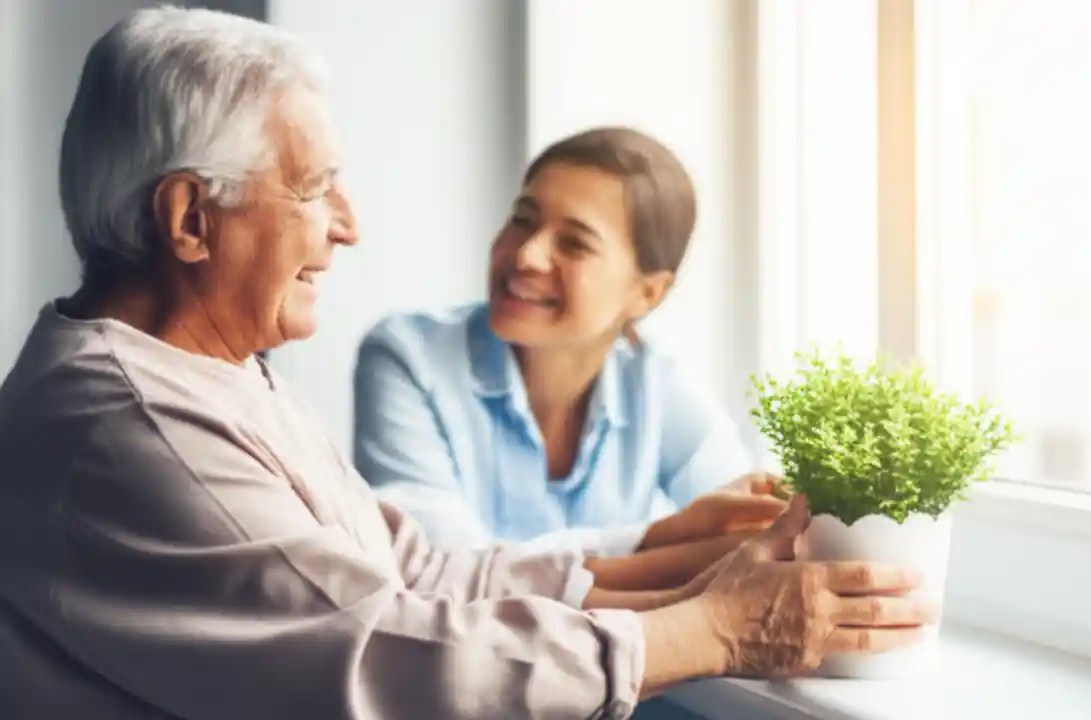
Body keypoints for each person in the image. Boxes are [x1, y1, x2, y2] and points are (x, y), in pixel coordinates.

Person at [0, 8, 931, 719]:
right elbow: (390, 653)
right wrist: (717, 627)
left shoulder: (214, 375)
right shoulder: (131, 424)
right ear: (191, 219)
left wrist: (689, 577)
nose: (348, 225)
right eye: (315, 187)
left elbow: (415, 570)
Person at [354, 128, 779, 579]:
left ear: (648, 293)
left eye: (574, 243)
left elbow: (745, 534)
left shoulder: (657, 386)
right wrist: (656, 539)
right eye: (523, 220)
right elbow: (442, 572)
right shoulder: (408, 357)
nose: (527, 256)